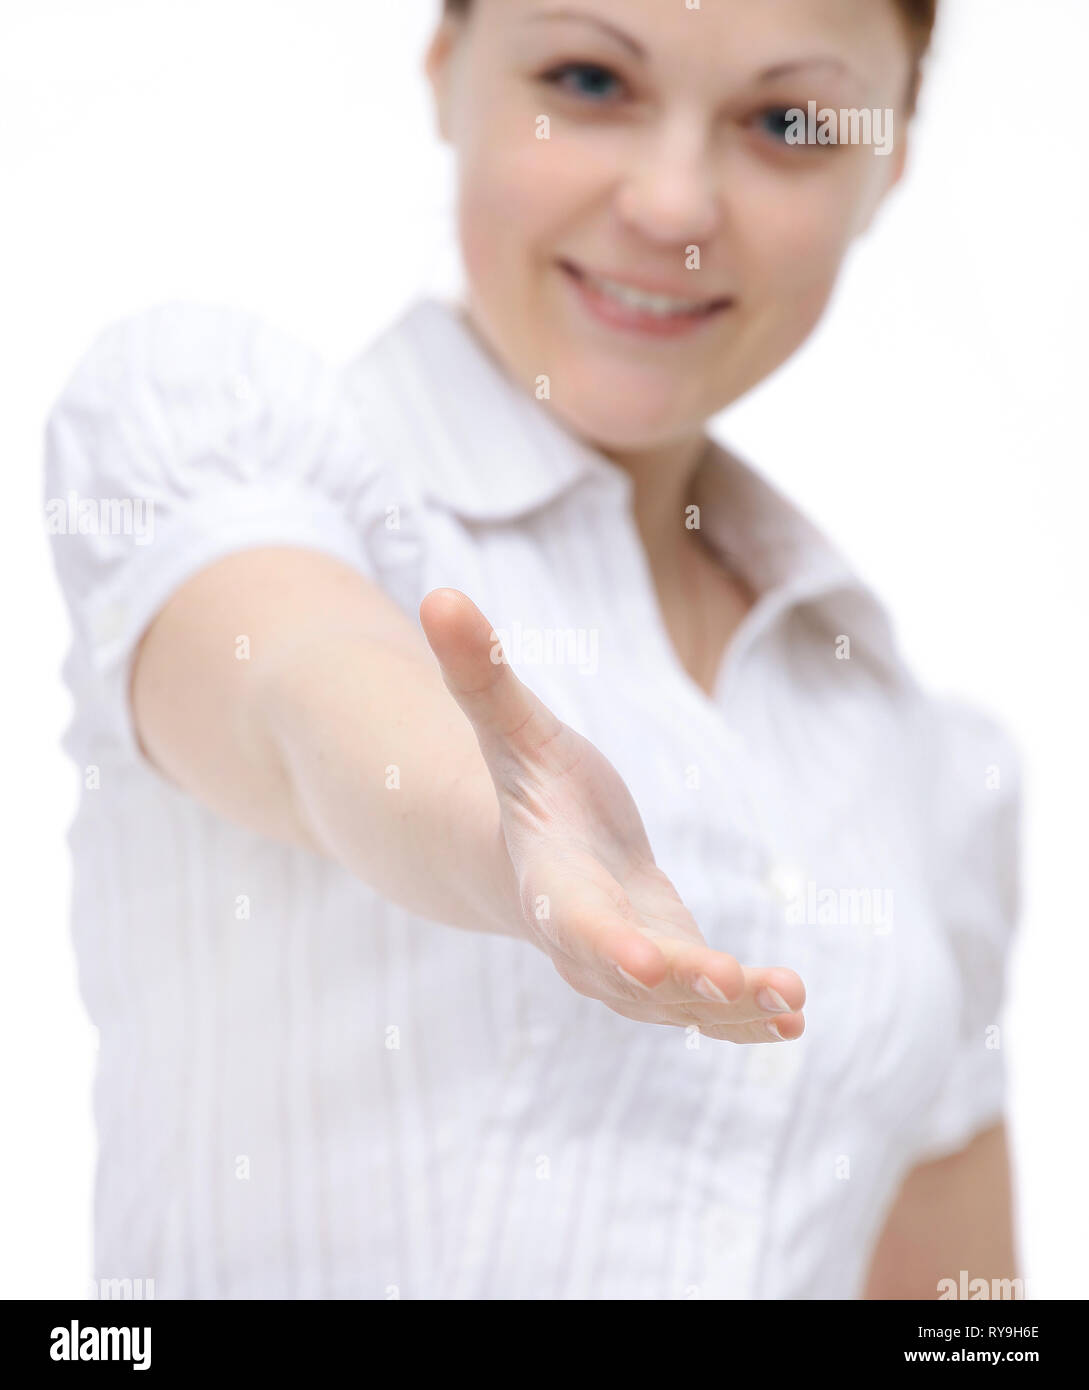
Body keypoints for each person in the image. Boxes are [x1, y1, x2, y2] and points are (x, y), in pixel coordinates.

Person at [44, 0, 1022, 1299]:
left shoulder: (924, 762)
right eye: (587, 78)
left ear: (886, 159)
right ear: (446, 69)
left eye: (785, 122)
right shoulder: (223, 449)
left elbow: (957, 1310)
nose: (674, 205)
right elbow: (297, 685)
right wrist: (492, 830)